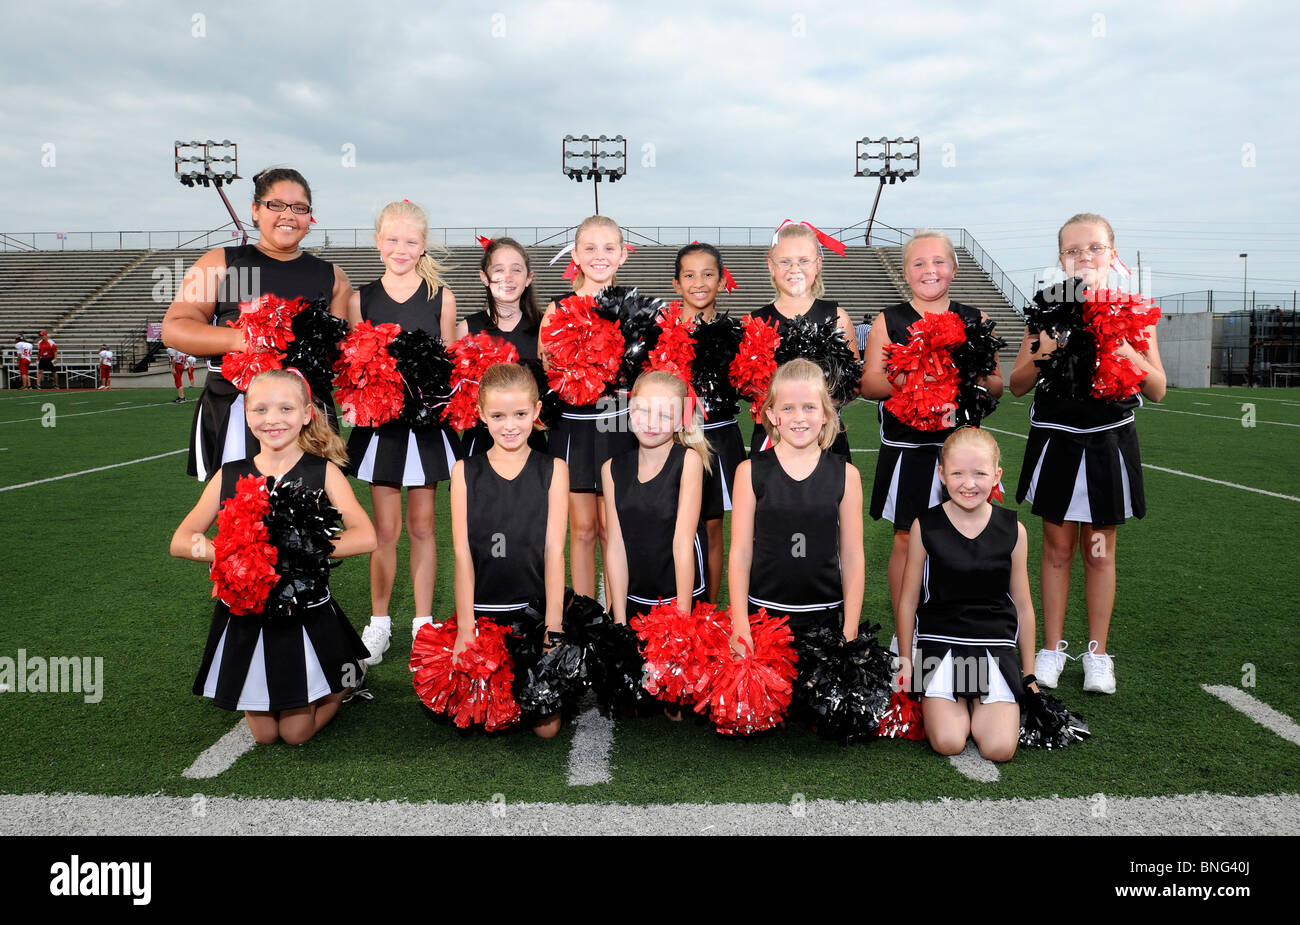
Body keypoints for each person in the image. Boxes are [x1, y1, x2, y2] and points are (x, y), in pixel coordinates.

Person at [170, 368, 377, 745]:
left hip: (305, 612)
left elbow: (366, 537)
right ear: (246, 415)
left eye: (285, 409)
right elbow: (183, 540)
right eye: (260, 410)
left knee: (296, 734)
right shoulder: (229, 474)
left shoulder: (323, 472)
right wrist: (238, 552)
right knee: (266, 736)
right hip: (248, 616)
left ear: (305, 414)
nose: (272, 420)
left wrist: (301, 547)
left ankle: (347, 682)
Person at [1009, 213, 1167, 694]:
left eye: (1094, 248)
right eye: (1073, 251)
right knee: (1056, 551)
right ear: (1060, 259)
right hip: (1057, 437)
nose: (1084, 258)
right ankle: (1051, 649)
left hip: (1108, 443)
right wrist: (1044, 351)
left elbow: (1157, 388)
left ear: (1112, 254)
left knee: (1100, 553)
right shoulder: (1046, 310)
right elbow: (1016, 385)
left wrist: (1128, 352)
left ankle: (1098, 654)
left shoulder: (1134, 310)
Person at [161, 166, 351, 481]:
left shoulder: (333, 276)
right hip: (239, 409)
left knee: (312, 518)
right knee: (242, 515)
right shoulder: (221, 262)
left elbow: (340, 354)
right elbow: (174, 328)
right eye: (276, 205)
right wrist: (246, 341)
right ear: (255, 210)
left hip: (309, 415)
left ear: (309, 217)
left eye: (299, 208)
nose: (288, 215)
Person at [859, 230, 1003, 615]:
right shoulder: (890, 320)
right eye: (919, 263)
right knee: (906, 538)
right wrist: (914, 374)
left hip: (961, 452)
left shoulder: (976, 319)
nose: (930, 270)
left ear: (954, 269)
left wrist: (959, 374)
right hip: (907, 450)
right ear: (906, 273)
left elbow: (997, 385)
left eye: (939, 261)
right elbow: (869, 384)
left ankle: (953, 623)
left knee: (963, 537)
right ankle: (904, 630)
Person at [343, 201, 460, 666]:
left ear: (423, 245)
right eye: (392, 239)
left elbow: (451, 370)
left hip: (426, 429)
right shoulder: (361, 299)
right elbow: (353, 369)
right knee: (385, 530)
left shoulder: (441, 296)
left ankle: (423, 624)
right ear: (377, 242)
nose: (400, 248)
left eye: (410, 241)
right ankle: (378, 624)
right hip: (383, 429)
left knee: (424, 527)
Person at [895, 426, 1039, 762]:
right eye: (957, 473)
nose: (968, 484)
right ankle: (960, 700)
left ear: (997, 475)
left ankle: (979, 699)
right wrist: (905, 660)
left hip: (993, 648)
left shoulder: (1013, 530)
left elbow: (1024, 606)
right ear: (941, 474)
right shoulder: (924, 526)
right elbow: (908, 601)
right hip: (941, 645)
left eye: (979, 473)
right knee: (948, 741)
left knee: (999, 748)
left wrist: (1028, 674)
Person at [449, 363, 568, 738]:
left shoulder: (554, 469)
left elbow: (554, 551)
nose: (510, 425)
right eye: (498, 416)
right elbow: (462, 554)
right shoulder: (464, 471)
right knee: (481, 720)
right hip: (485, 617)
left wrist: (552, 626)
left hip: (533, 619)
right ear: (481, 414)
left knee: (546, 729)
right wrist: (466, 627)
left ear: (536, 412)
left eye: (520, 414)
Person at [728, 359, 865, 651]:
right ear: (771, 414)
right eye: (787, 408)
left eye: (810, 407)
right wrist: (740, 625)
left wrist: (849, 630)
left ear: (827, 414)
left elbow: (853, 556)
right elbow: (740, 553)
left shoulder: (847, 475)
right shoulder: (748, 471)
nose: (798, 417)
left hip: (826, 619)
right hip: (763, 618)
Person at [539, 215, 638, 599]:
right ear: (576, 254)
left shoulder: (635, 309)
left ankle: (616, 616)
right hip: (574, 429)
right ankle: (584, 616)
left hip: (619, 426)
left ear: (623, 255)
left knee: (614, 527)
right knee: (581, 529)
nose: (600, 256)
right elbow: (549, 375)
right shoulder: (557, 309)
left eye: (609, 248)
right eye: (590, 248)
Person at [602, 370, 709, 626]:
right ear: (630, 410)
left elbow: (683, 542)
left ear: (680, 420)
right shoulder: (611, 469)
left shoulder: (688, 461)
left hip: (678, 598)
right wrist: (619, 618)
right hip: (634, 596)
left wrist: (682, 618)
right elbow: (615, 546)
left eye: (664, 415)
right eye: (643, 410)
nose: (651, 423)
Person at [749, 221, 860, 458]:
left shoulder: (837, 317)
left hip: (826, 437)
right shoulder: (754, 321)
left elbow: (854, 383)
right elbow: (743, 384)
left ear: (818, 265)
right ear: (771, 266)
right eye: (785, 261)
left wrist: (818, 400)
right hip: (772, 436)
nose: (794, 269)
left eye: (803, 261)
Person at [672, 242, 744, 602]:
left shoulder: (738, 333)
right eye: (689, 275)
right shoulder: (660, 332)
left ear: (721, 280)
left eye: (708, 274)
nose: (698, 282)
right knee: (676, 526)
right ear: (676, 284)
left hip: (721, 437)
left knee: (714, 526)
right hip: (675, 440)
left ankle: (710, 610)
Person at [457, 236, 546, 455]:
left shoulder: (544, 328)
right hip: (479, 443)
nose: (508, 277)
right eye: (499, 270)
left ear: (528, 278)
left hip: (531, 445)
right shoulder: (466, 328)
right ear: (484, 278)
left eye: (516, 270)